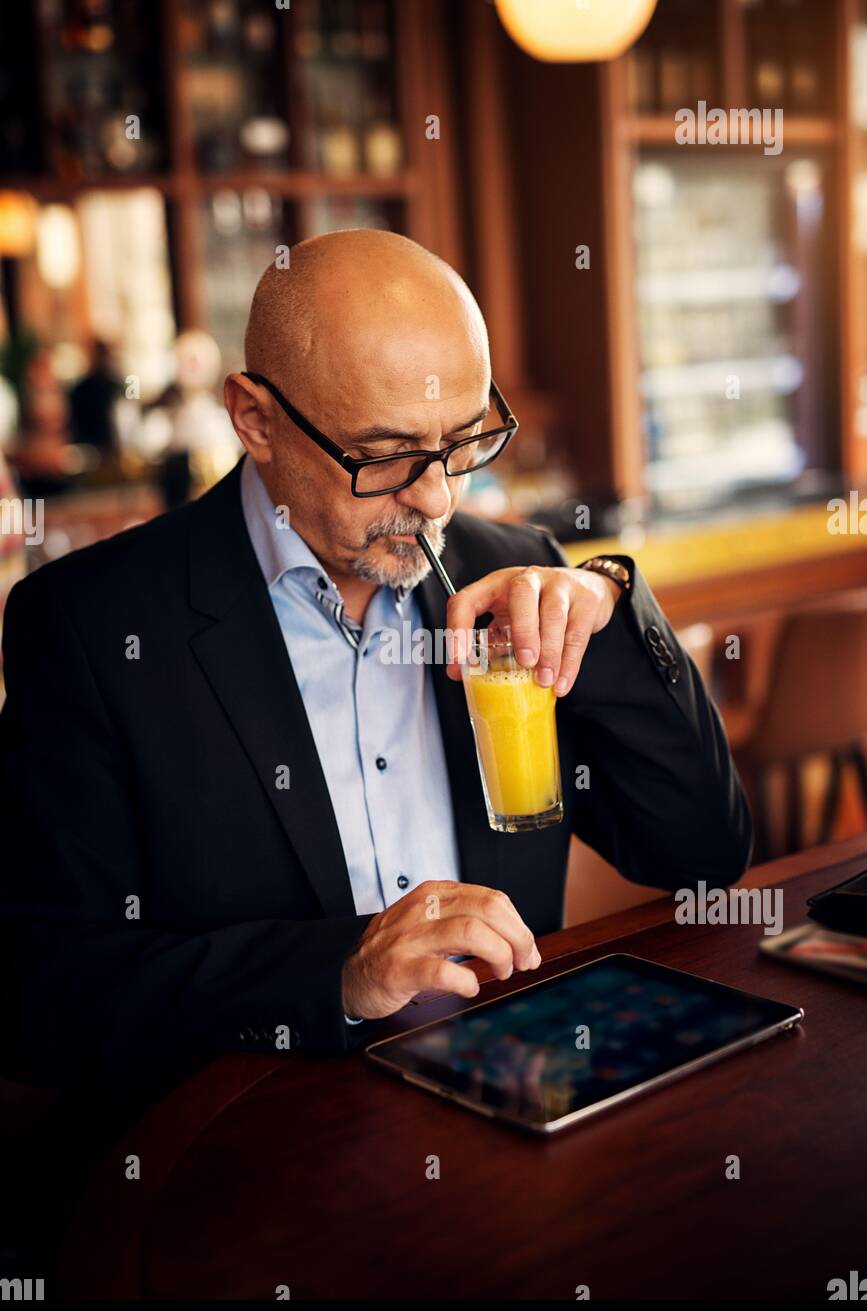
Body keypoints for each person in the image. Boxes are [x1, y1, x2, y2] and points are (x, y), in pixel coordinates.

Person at [0, 230, 751, 1098]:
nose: (435, 498)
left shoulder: (509, 570)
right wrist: (339, 970)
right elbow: (43, 984)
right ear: (256, 419)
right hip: (248, 1143)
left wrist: (610, 604)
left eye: (464, 441)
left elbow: (702, 857)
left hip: (514, 1094)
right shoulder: (93, 624)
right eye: (385, 455)